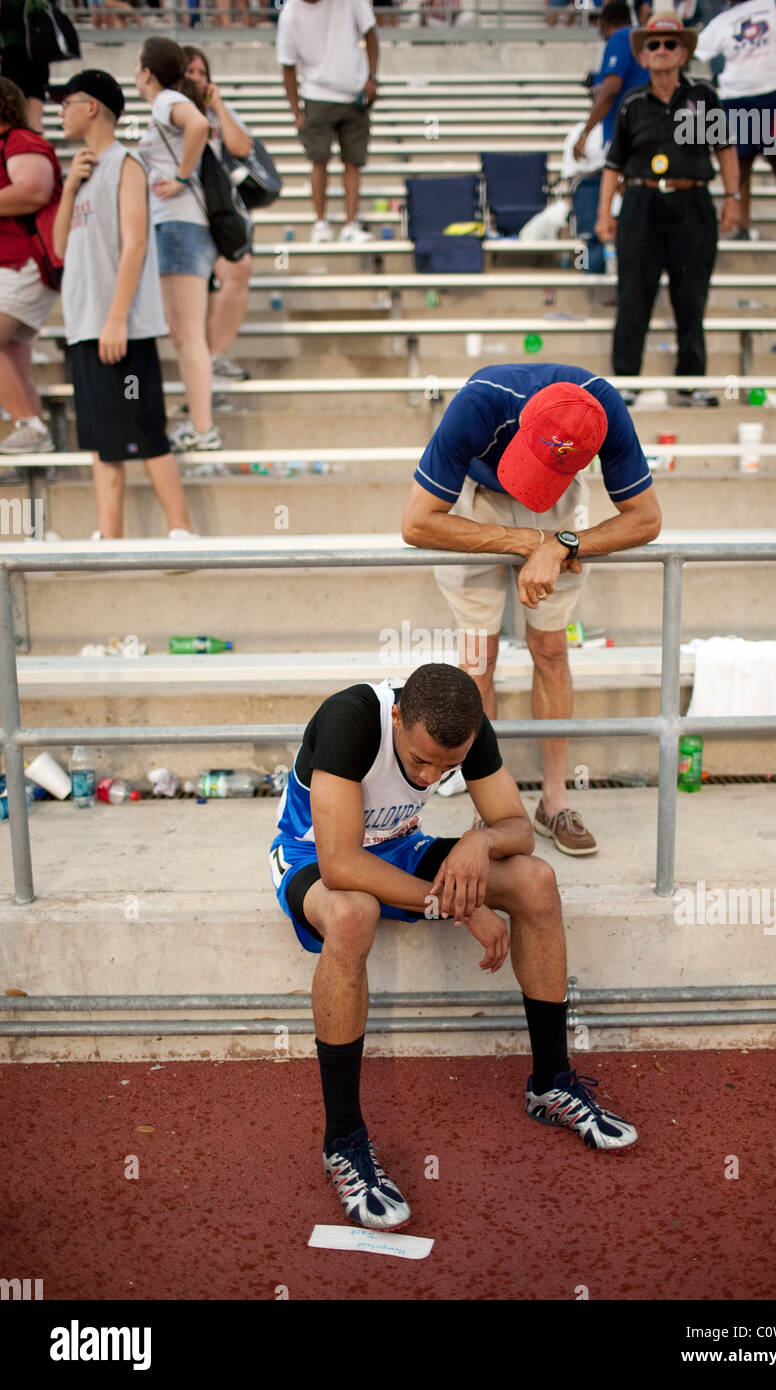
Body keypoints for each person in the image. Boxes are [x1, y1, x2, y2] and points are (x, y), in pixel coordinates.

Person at [268, 662, 638, 1230]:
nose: (430, 778)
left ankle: (551, 1083)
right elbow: (341, 864)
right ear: (396, 717)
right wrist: (460, 906)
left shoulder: (467, 724)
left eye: (448, 767)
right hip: (311, 859)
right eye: (419, 761)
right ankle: (342, 1139)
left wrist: (478, 841)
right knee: (352, 914)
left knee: (534, 880)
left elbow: (515, 823)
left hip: (400, 849)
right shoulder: (351, 718)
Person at [401, 364, 661, 858]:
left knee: (550, 648)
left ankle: (554, 802)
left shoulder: (604, 408)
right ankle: (489, 807)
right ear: (520, 423)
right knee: (479, 658)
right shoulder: (477, 403)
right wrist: (530, 542)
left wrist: (563, 543)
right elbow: (416, 523)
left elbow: (647, 519)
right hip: (480, 501)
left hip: (559, 508)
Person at [51, 70, 196, 542]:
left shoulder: (126, 163)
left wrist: (116, 318)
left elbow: (135, 245)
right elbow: (58, 249)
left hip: (121, 327)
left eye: (67, 103)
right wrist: (70, 189)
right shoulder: (83, 173)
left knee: (146, 428)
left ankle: (181, 530)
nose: (60, 112)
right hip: (84, 326)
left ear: (91, 106)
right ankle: (108, 537)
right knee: (99, 441)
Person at [595, 13, 743, 406]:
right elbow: (614, 166)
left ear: (683, 53)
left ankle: (691, 382)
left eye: (669, 44)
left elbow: (726, 151)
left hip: (692, 203)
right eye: (653, 45)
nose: (661, 50)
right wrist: (603, 214)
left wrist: (733, 199)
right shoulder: (631, 104)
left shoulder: (704, 98)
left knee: (691, 296)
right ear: (642, 57)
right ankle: (625, 379)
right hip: (641, 204)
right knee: (633, 296)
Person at [134, 36, 221, 452]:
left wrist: (183, 176)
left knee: (187, 334)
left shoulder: (164, 100)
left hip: (179, 227)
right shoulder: (167, 101)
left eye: (137, 67)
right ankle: (199, 424)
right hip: (181, 228)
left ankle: (203, 427)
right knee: (185, 334)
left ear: (147, 72)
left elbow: (200, 125)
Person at [695, 0, 776, 240]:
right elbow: (695, 49)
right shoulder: (722, 20)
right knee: (740, 164)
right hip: (737, 98)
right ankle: (742, 226)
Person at [276, 0, 378, 244]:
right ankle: (320, 223)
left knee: (353, 162)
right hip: (316, 96)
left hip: (353, 94)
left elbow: (372, 34)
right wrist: (296, 112)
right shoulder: (290, 13)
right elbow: (288, 66)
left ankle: (350, 224)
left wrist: (372, 77)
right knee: (318, 161)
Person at [182, 45, 253, 390]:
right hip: (185, 216)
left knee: (238, 269)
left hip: (221, 216)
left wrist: (218, 108)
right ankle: (203, 377)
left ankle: (215, 358)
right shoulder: (171, 113)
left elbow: (242, 148)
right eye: (189, 72)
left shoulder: (219, 112)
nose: (196, 78)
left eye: (201, 72)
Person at [0, 76, 61, 456]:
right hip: (14, 264)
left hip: (24, 262)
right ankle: (36, 444)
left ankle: (28, 426)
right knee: (15, 357)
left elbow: (34, 189)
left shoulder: (21, 140)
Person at [568, 1, 649, 275]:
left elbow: (611, 88)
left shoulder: (620, 38)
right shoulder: (642, 41)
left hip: (628, 138)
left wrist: (585, 132)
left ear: (604, 24)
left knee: (624, 215)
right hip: (648, 136)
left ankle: (625, 279)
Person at [0, 0, 49, 133]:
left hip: (12, 57)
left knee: (9, 120)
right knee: (35, 123)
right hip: (37, 57)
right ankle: (40, 150)